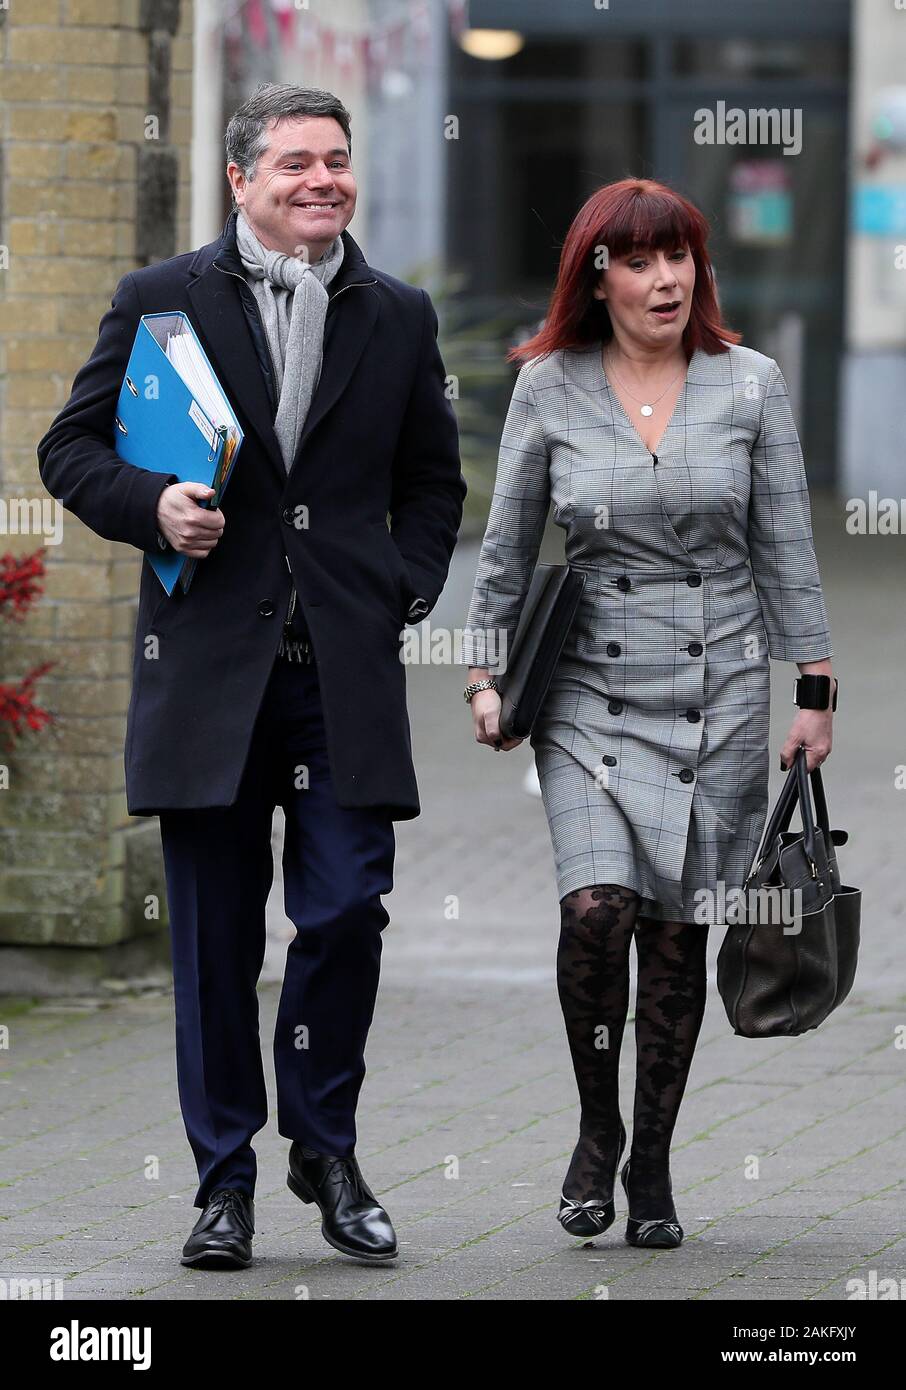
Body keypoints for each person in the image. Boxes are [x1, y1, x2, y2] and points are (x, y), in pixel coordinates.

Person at [38, 83, 466, 1269]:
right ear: (241, 180)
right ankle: (222, 1181)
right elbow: (67, 449)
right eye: (295, 164)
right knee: (216, 940)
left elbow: (436, 482)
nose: (323, 180)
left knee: (343, 910)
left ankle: (323, 1147)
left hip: (342, 679)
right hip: (208, 673)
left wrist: (402, 586)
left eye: (337, 161)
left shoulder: (398, 313)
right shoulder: (160, 300)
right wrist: (151, 504)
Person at [463, 178, 836, 1249]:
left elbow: (788, 552)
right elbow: (507, 547)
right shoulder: (549, 387)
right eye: (640, 259)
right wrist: (484, 674)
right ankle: (595, 1128)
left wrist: (814, 687)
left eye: (678, 256)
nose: (665, 278)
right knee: (598, 911)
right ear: (599, 273)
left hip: (718, 690)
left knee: (675, 936)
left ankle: (655, 1164)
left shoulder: (751, 384)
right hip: (588, 692)